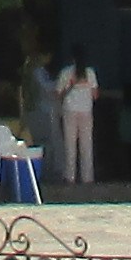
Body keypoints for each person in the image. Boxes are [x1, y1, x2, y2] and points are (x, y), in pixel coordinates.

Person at [53, 56, 101, 192]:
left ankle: (70, 177)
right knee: (87, 144)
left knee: (70, 144)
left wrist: (72, 86)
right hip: (86, 111)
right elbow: (95, 95)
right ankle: (88, 178)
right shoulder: (90, 73)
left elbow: (58, 94)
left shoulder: (65, 72)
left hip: (70, 111)